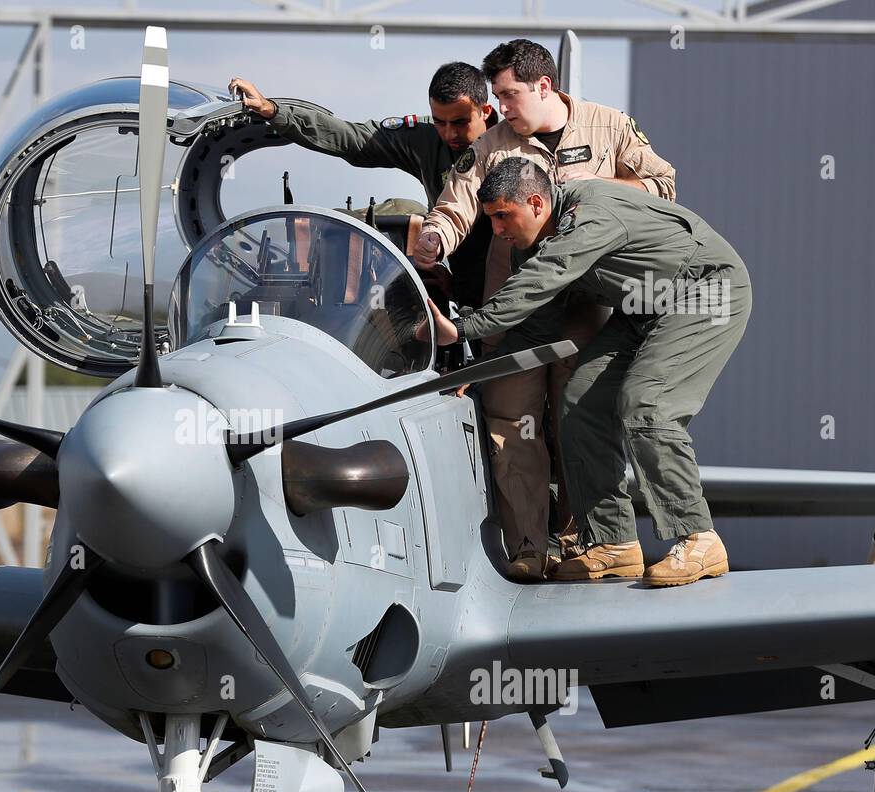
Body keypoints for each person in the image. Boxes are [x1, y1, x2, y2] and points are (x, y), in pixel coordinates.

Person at [412, 39, 677, 582]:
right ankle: (529, 546)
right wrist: (436, 237)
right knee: (513, 426)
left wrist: (597, 184)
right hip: (517, 308)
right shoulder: (490, 145)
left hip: (590, 305)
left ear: (544, 86)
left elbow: (664, 187)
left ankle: (588, 541)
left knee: (581, 420)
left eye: (509, 96)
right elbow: (456, 202)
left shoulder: (611, 127)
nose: (501, 106)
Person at [429, 157, 749, 587]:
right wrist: (482, 366)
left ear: (538, 204)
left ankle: (698, 536)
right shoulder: (539, 241)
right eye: (492, 220)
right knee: (579, 402)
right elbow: (537, 321)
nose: (499, 230)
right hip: (645, 307)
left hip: (705, 291)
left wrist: (464, 327)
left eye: (504, 216)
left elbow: (548, 275)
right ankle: (613, 541)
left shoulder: (591, 214)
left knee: (646, 404)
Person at [228, 62, 496, 308]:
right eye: (440, 122)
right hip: (465, 292)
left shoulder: (516, 147)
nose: (449, 133)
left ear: (486, 111)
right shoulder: (425, 140)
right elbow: (351, 139)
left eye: (460, 123)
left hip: (513, 288)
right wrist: (272, 110)